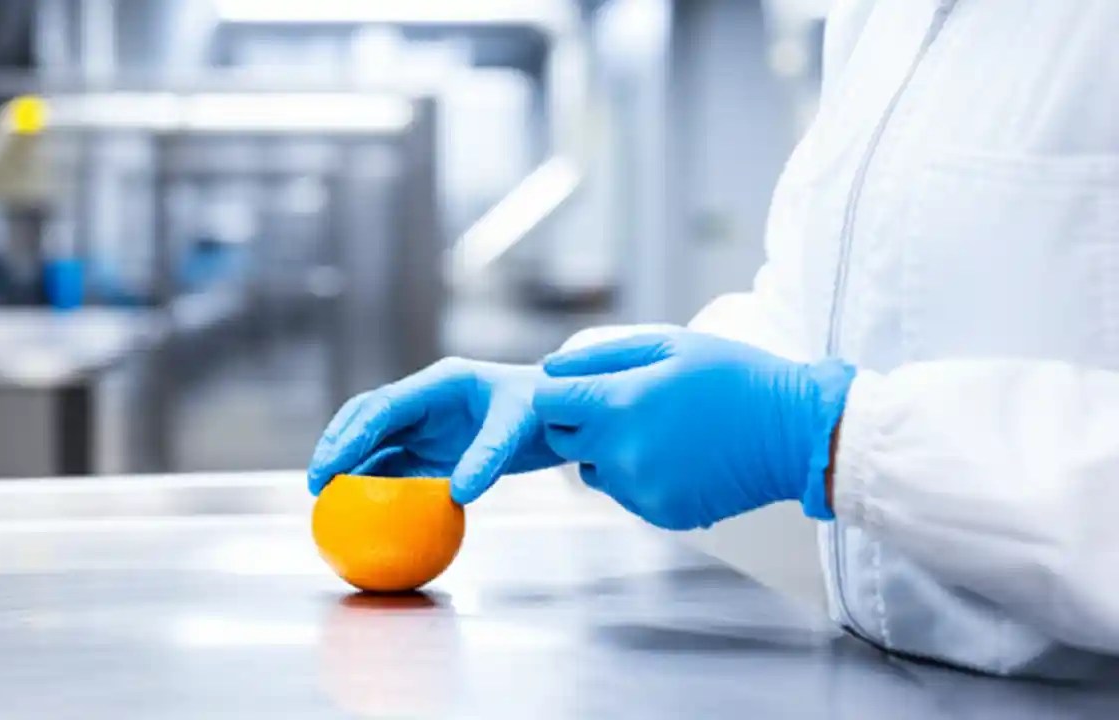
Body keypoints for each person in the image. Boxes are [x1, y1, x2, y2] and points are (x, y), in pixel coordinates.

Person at [308, 0, 1119, 679]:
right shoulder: (880, 18)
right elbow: (822, 306)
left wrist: (835, 434)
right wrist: (569, 392)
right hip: (902, 680)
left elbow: (817, 403)